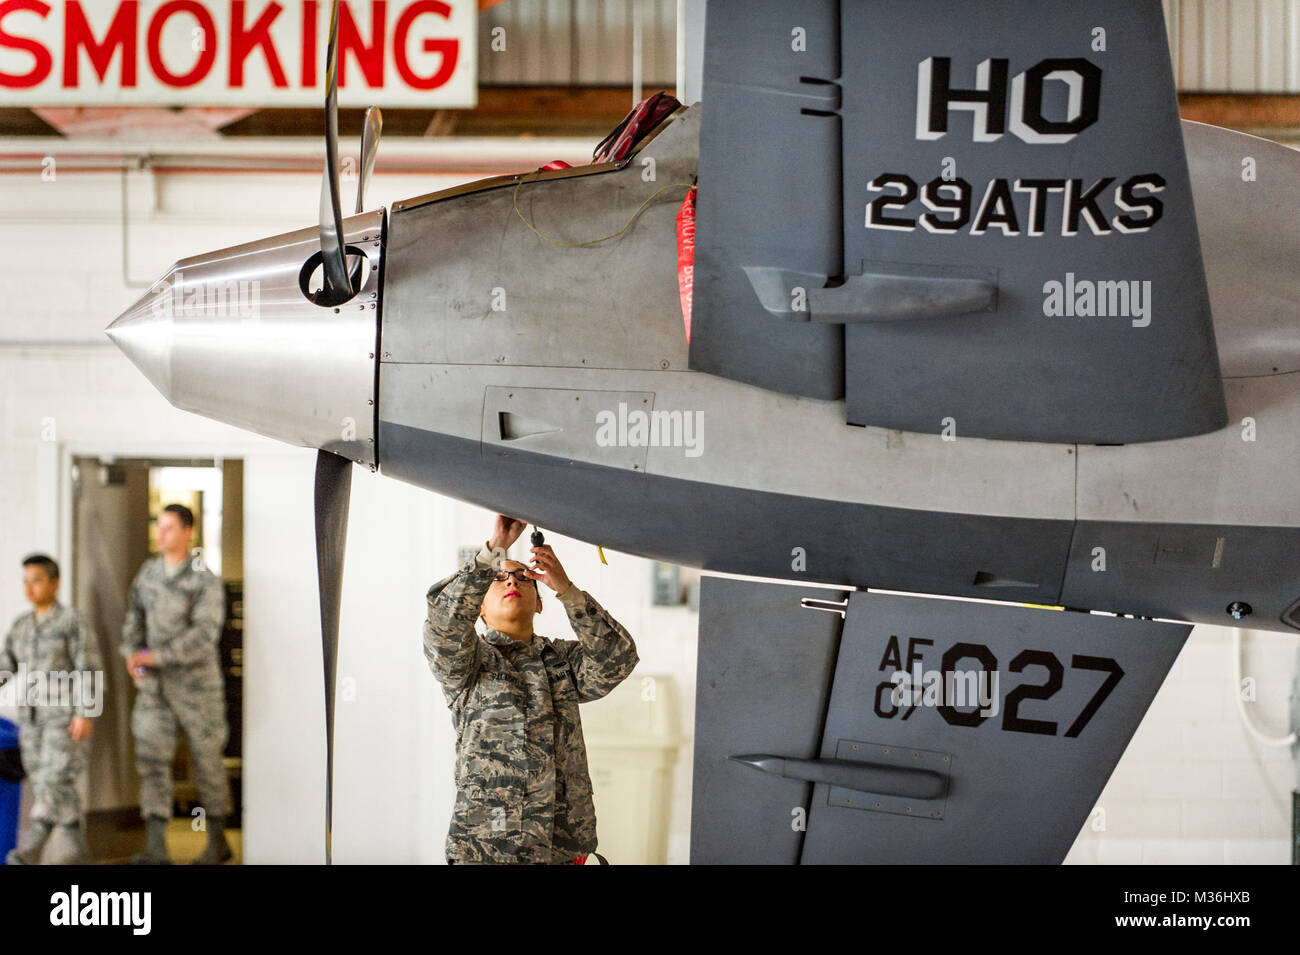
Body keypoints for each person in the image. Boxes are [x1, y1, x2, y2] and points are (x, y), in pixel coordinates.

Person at [424, 514, 639, 864]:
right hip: (487, 850)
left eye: (524, 576)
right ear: (478, 605)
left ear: (539, 603)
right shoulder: (468, 662)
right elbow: (443, 625)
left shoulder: (563, 660)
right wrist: (492, 549)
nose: (512, 580)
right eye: (499, 577)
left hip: (562, 849)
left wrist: (566, 590)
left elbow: (619, 658)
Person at [121, 503, 232, 865]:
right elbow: (133, 618)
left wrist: (154, 656)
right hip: (154, 690)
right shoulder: (149, 573)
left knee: (207, 764)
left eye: (169, 527)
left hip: (197, 690)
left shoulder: (204, 579)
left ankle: (216, 842)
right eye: (159, 526)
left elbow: (204, 636)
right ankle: (156, 847)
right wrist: (132, 655)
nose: (161, 533)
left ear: (188, 532)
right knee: (151, 760)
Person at [0, 554, 100, 864]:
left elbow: (89, 668)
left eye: (37, 580)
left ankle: (34, 848)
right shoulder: (22, 626)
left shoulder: (71, 622)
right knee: (48, 782)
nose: (30, 588)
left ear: (55, 583)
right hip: (32, 722)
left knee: (55, 779)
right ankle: (77, 850)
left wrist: (86, 711)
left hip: (62, 718)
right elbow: (6, 666)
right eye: (26, 581)